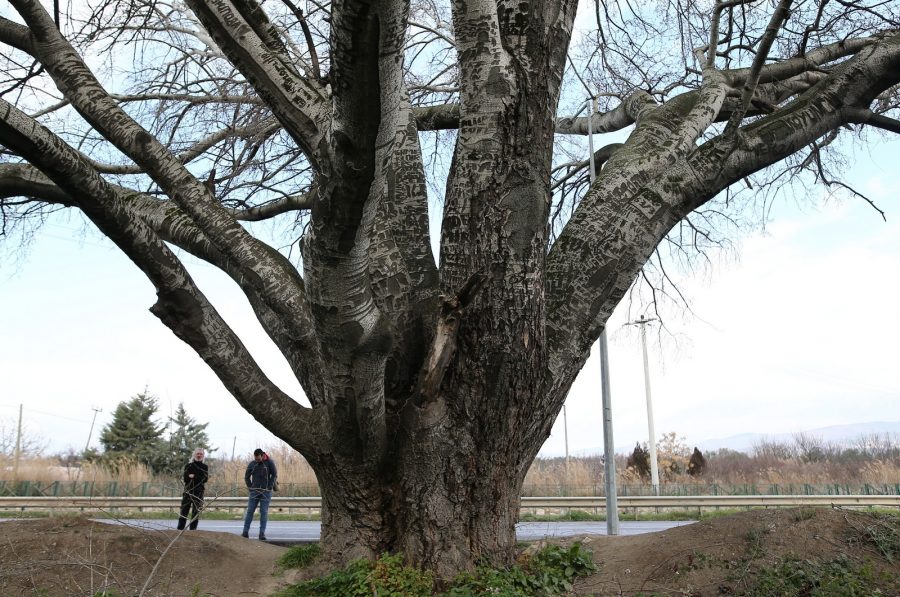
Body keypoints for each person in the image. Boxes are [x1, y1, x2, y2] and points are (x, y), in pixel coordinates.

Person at [242, 448, 277, 540]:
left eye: (258, 458)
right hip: (254, 492)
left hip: (266, 492)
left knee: (264, 513)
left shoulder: (270, 462)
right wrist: (250, 488)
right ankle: (245, 532)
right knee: (250, 512)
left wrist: (269, 487)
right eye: (255, 458)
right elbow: (246, 477)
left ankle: (262, 533)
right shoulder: (252, 464)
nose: (256, 460)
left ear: (262, 455)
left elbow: (274, 475)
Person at [176, 447, 209, 530]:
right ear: (194, 454)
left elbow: (204, 479)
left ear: (203, 455)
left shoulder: (204, 467)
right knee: (184, 511)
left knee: (196, 513)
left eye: (201, 454)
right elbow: (185, 478)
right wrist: (195, 477)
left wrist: (194, 476)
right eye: (197, 453)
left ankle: (193, 531)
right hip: (188, 491)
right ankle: (180, 529)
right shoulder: (188, 465)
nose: (199, 455)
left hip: (199, 492)